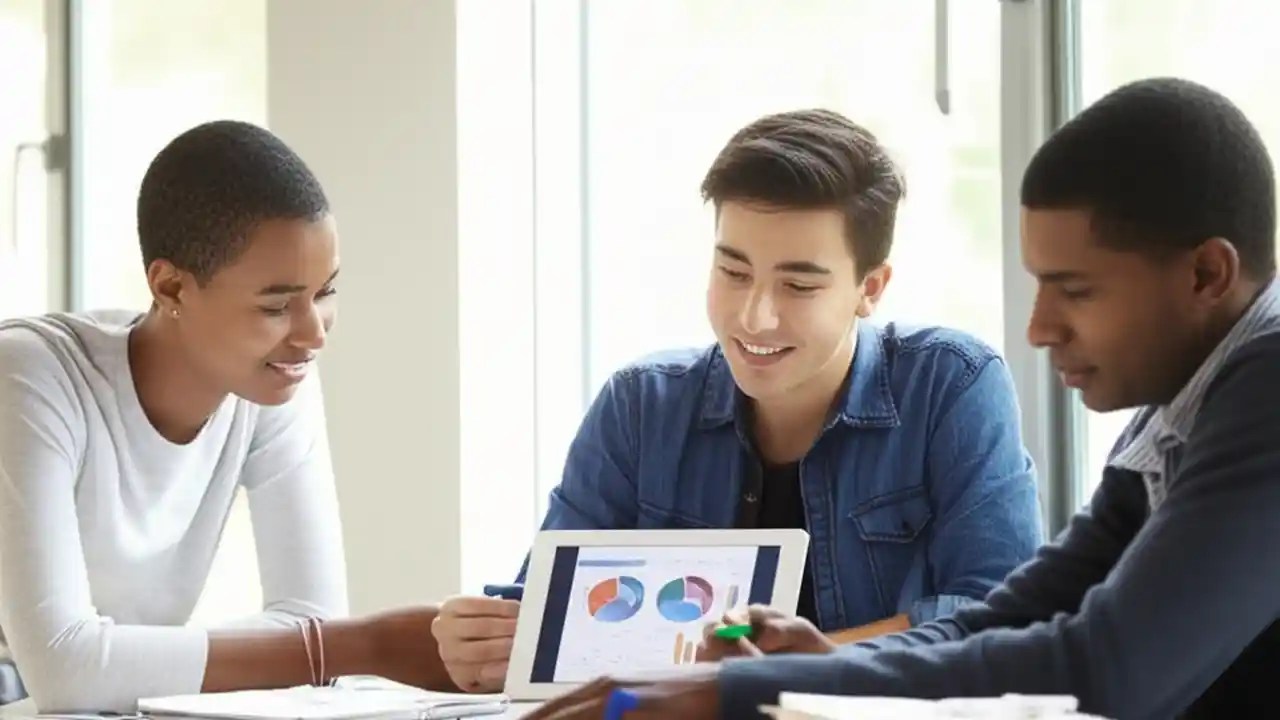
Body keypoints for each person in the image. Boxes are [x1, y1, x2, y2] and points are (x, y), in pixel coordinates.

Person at [522, 77, 1280, 720]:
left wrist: (735, 691)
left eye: (1075, 292)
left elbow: (1107, 666)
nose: (1040, 328)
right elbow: (1017, 614)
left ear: (1207, 276)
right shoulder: (1180, 407)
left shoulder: (1267, 386)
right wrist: (807, 670)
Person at [432, 109, 1044, 692]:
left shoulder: (951, 385)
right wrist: (483, 642)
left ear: (870, 288)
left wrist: (805, 667)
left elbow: (999, 620)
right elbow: (548, 617)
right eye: (733, 272)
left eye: (798, 285)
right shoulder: (640, 406)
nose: (755, 316)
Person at [0, 121, 456, 712]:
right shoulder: (30, 379)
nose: (313, 333)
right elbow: (64, 667)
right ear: (171, 288)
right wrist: (364, 645)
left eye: (325, 293)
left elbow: (309, 616)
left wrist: (116, 660)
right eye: (276, 305)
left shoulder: (271, 377)